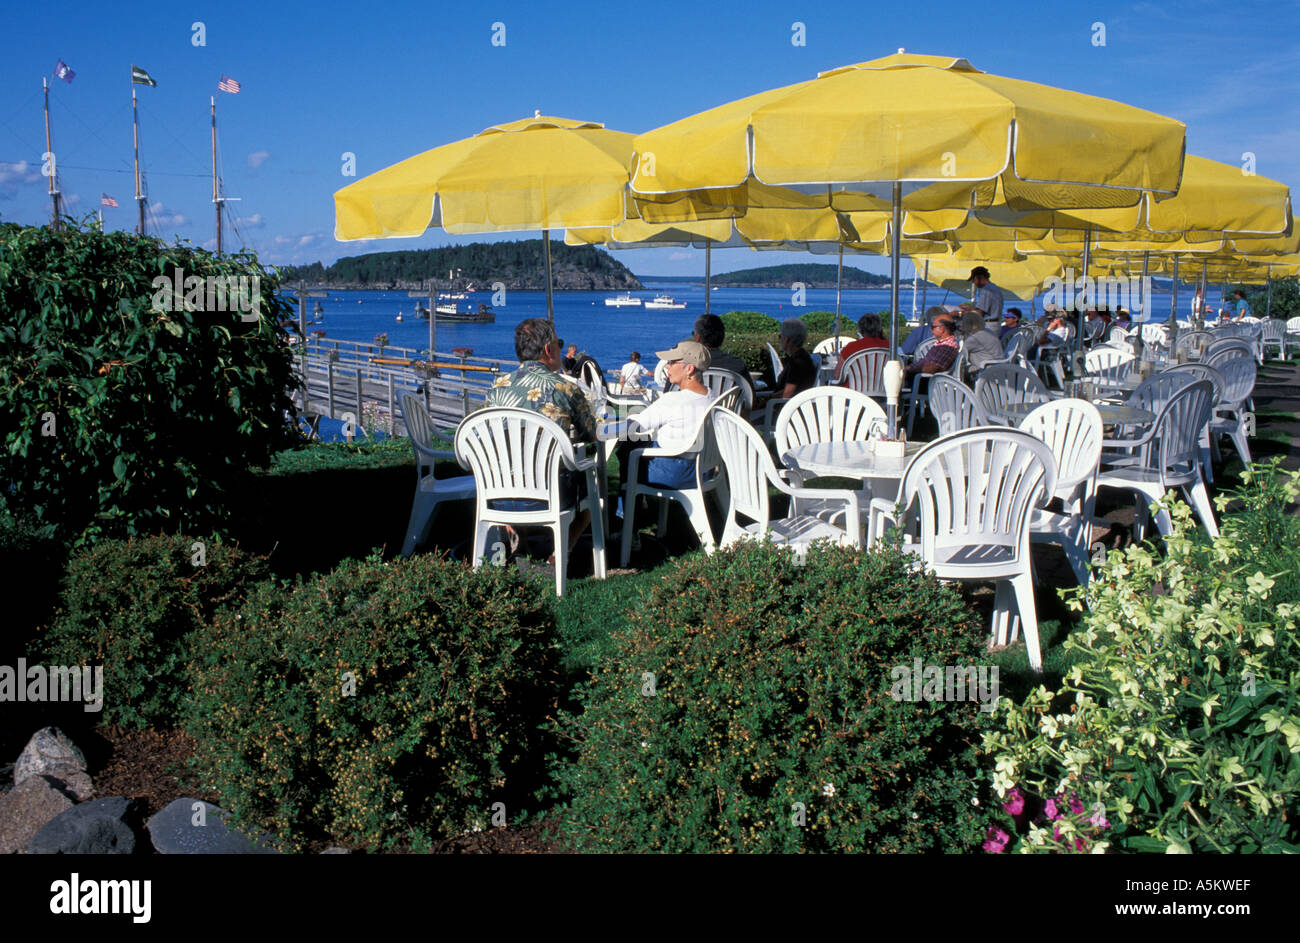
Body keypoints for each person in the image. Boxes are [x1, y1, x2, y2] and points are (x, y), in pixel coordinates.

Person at [483, 318, 596, 556]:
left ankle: (518, 538)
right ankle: (561, 550)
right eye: (559, 343)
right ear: (548, 349)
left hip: (501, 493)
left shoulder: (496, 387)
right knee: (592, 492)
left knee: (515, 462)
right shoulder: (565, 388)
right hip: (550, 494)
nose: (561, 348)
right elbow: (590, 434)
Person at [614, 342, 717, 540]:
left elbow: (634, 425)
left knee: (628, 449)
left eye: (671, 362)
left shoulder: (673, 400)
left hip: (676, 474)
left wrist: (601, 429)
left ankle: (627, 526)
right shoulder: (712, 395)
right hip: (705, 469)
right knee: (634, 446)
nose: (666, 367)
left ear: (689, 368)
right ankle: (631, 521)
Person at [904, 308, 960, 379]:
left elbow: (934, 368)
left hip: (925, 379)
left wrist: (910, 369)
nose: (931, 330)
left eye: (933, 327)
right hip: (920, 375)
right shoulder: (943, 343)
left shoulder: (947, 346)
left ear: (942, 328)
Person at [691, 313, 750, 378]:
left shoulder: (688, 366)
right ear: (722, 337)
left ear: (697, 337)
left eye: (694, 333)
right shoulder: (737, 364)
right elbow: (749, 387)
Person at [834, 312, 888, 380]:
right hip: (883, 389)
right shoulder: (890, 347)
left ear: (860, 330)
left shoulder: (851, 347)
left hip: (853, 389)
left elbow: (838, 375)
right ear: (879, 329)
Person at [775, 318, 817, 398]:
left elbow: (787, 393)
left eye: (780, 336)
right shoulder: (802, 356)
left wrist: (768, 398)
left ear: (786, 339)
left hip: (785, 407)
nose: (779, 339)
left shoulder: (797, 363)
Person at [958, 310, 1004, 378]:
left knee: (961, 370)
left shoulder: (974, 339)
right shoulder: (988, 331)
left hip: (985, 369)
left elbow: (961, 356)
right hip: (1000, 365)